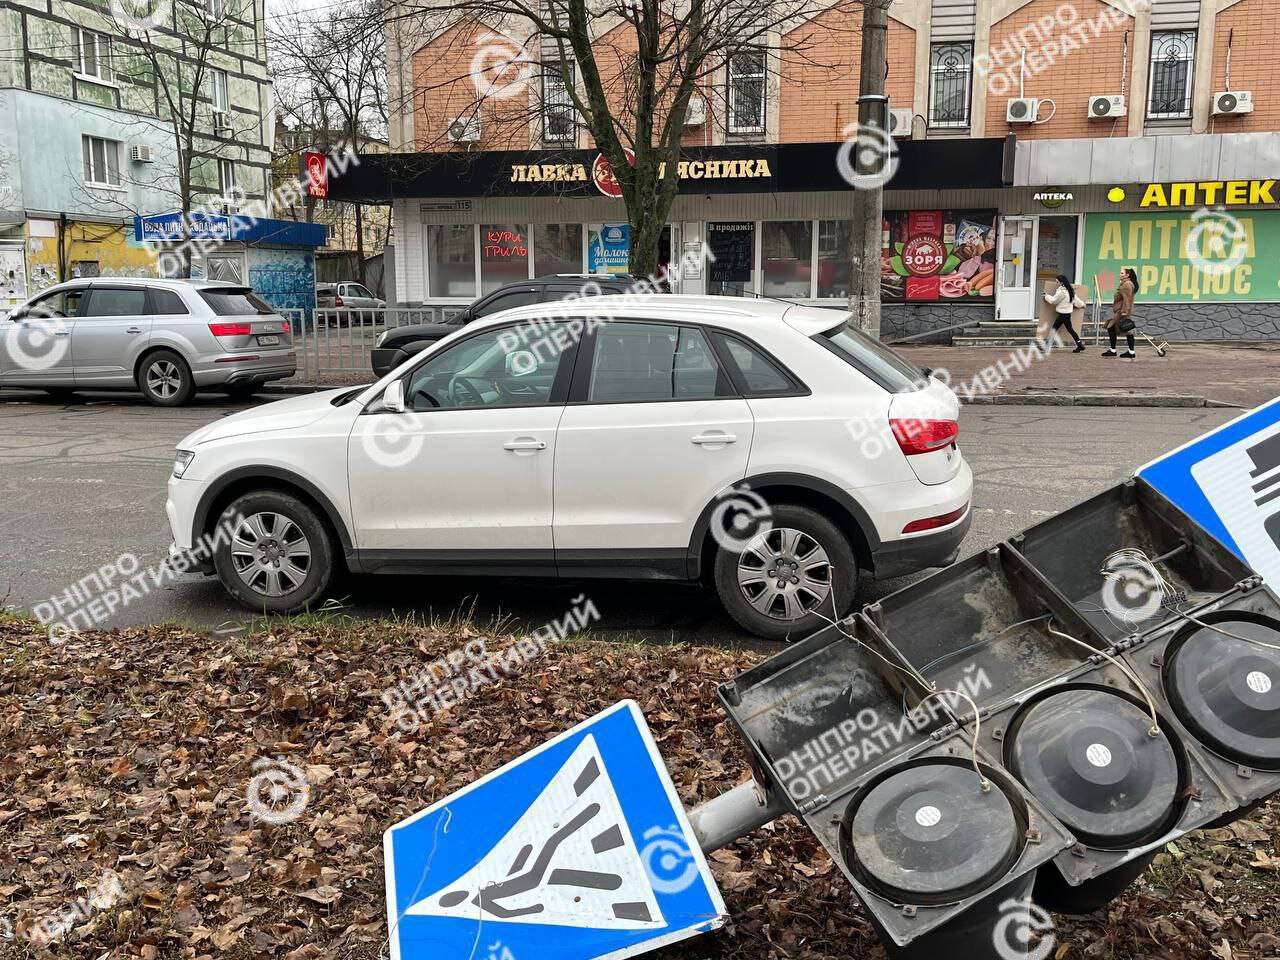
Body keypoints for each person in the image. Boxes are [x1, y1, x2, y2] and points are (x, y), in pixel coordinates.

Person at [1043, 274, 1085, 352]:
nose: (1057, 283)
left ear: (1061, 282)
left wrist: (1046, 296)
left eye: (1057, 282)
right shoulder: (1070, 290)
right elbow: (1076, 301)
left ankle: (1046, 346)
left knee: (1054, 329)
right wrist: (1082, 305)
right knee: (1070, 330)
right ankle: (1080, 345)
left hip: (1062, 315)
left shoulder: (1062, 292)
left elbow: (1054, 301)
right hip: (1067, 314)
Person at [1105, 267, 1138, 358]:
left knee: (1112, 327)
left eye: (1122, 273)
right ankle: (1129, 351)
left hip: (1121, 311)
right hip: (1120, 310)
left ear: (1127, 275)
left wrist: (1124, 312)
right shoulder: (1125, 284)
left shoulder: (1126, 285)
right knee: (1125, 330)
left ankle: (1114, 350)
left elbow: (1127, 300)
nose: (1120, 274)